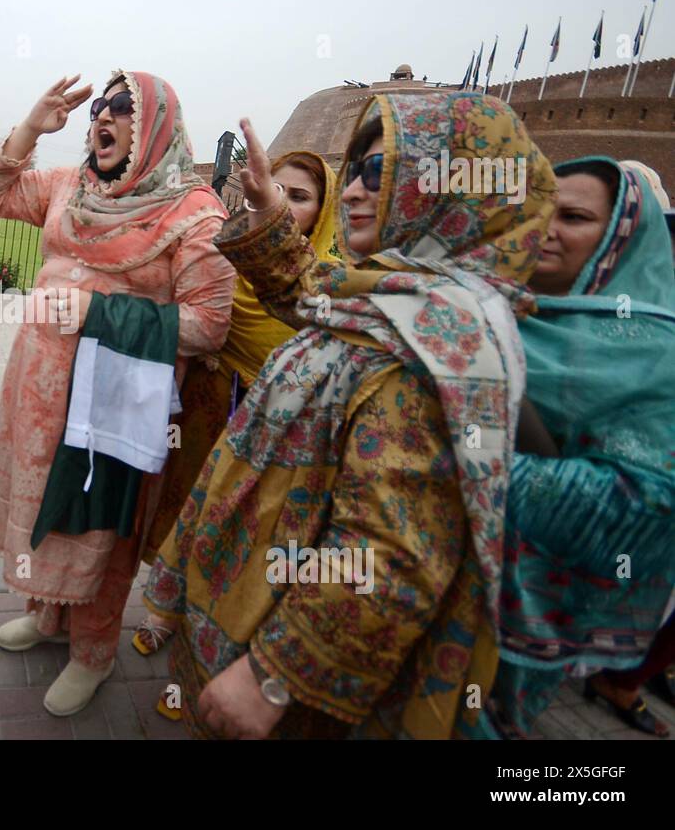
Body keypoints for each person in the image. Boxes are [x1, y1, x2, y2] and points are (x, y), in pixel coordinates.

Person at [145, 91, 556, 739]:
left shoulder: (440, 353)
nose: (358, 190)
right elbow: (313, 292)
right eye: (356, 167)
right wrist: (273, 211)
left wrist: (273, 674)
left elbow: (392, 552)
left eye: (381, 170)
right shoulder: (400, 297)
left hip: (297, 681)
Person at [0, 71, 236, 716]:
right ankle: (46, 616)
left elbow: (209, 324)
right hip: (38, 392)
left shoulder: (192, 212)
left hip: (117, 399)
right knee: (45, 501)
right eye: (100, 107)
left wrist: (94, 312)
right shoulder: (72, 187)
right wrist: (33, 125)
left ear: (154, 128)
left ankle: (92, 653)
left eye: (123, 109)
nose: (104, 118)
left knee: (102, 526)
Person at [465, 157, 675, 739]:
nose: (546, 228)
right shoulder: (482, 307)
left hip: (533, 610)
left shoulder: (656, 353)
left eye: (575, 217)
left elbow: (647, 501)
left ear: (621, 238)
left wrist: (468, 465)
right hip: (439, 585)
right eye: (537, 212)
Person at [133, 150, 342, 656]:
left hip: (272, 421)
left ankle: (201, 640)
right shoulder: (226, 255)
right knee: (181, 509)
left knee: (237, 527)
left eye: (300, 197)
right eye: (277, 190)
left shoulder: (326, 282)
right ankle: (163, 612)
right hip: (207, 400)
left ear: (323, 210)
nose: (285, 206)